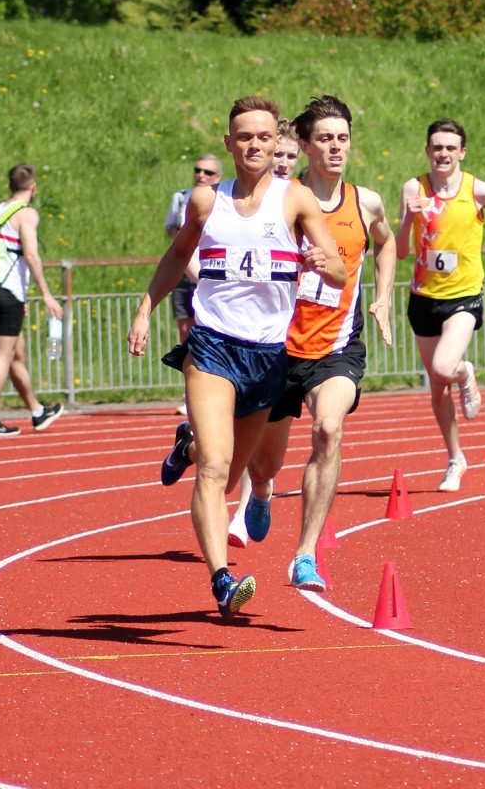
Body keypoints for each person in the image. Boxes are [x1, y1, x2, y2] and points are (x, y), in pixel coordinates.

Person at [127, 97, 346, 620]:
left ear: (277, 145)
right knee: (215, 469)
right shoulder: (206, 201)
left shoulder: (295, 201)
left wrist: (323, 261)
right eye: (243, 137)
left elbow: (338, 270)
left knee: (233, 477)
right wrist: (144, 307)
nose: (254, 145)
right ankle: (223, 580)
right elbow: (179, 254)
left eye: (263, 137)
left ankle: (190, 440)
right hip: (212, 347)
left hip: (267, 356)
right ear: (229, 144)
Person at [244, 94, 396, 591]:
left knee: (329, 428)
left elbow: (387, 240)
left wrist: (384, 298)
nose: (336, 147)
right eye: (326, 138)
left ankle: (305, 554)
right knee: (264, 465)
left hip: (337, 347)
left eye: (343, 138)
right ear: (305, 146)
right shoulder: (282, 201)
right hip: (279, 346)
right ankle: (262, 492)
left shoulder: (365, 201)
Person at [395, 118, 485, 491]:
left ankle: (465, 372)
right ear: (427, 151)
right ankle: (456, 459)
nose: (443, 154)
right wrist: (410, 219)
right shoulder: (413, 188)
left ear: (462, 152)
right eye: (437, 147)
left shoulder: (475, 189)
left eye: (451, 148)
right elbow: (402, 251)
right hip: (423, 297)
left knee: (444, 366)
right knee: (437, 391)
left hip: (464, 296)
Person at [227, 118, 303, 549]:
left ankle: (261, 490)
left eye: (292, 156)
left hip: (294, 339)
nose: (283, 163)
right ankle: (237, 514)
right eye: (279, 155)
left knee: (269, 456)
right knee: (239, 427)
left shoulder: (303, 203)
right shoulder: (247, 204)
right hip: (245, 335)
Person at [0, 164, 64, 437]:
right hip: (8, 290)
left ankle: (37, 411)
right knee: (4, 354)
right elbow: (31, 255)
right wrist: (46, 294)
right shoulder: (27, 213)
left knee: (17, 354)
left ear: (10, 186)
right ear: (33, 187)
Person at [164, 154, 223, 343]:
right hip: (184, 268)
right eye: (197, 170)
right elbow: (170, 228)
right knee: (185, 329)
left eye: (208, 172)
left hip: (212, 266)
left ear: (218, 176)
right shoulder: (181, 197)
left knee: (213, 327)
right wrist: (184, 234)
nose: (201, 175)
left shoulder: (223, 199)